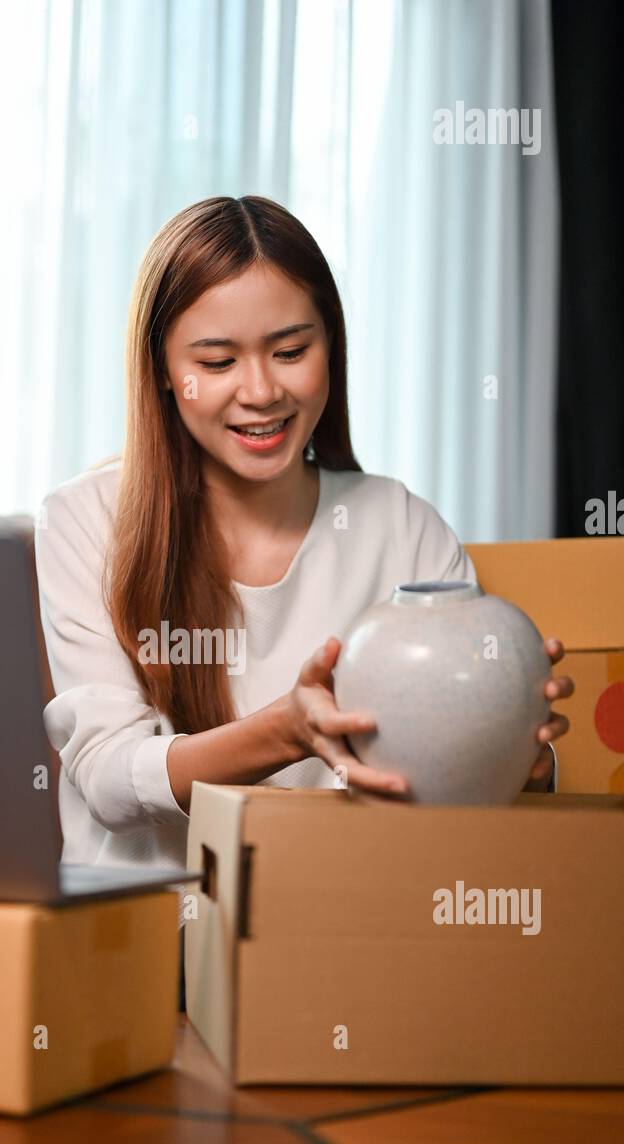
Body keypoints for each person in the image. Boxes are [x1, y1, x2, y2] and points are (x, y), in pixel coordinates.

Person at [34, 195, 572, 873]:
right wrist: (287, 731)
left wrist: (511, 756)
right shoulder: (85, 521)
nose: (261, 391)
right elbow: (110, 781)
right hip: (141, 945)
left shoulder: (400, 526)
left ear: (331, 347)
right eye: (218, 362)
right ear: (166, 375)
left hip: (336, 932)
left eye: (290, 350)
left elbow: (443, 816)